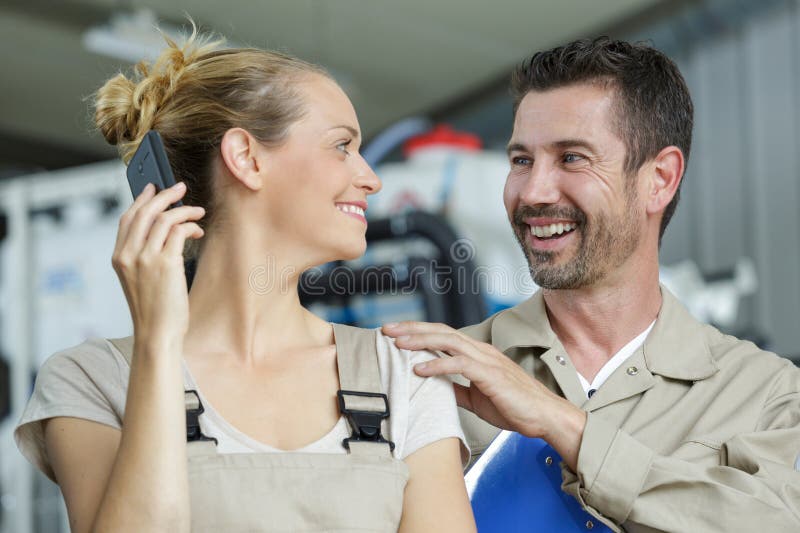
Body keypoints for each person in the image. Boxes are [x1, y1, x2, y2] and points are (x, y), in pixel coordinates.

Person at [14, 28, 475, 533]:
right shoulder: (93, 379)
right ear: (247, 158)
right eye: (342, 146)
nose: (371, 177)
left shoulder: (404, 377)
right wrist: (159, 343)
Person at [382, 37, 800, 532]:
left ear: (660, 179)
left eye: (572, 158)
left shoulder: (766, 393)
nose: (533, 192)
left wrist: (563, 426)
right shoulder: (431, 376)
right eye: (521, 160)